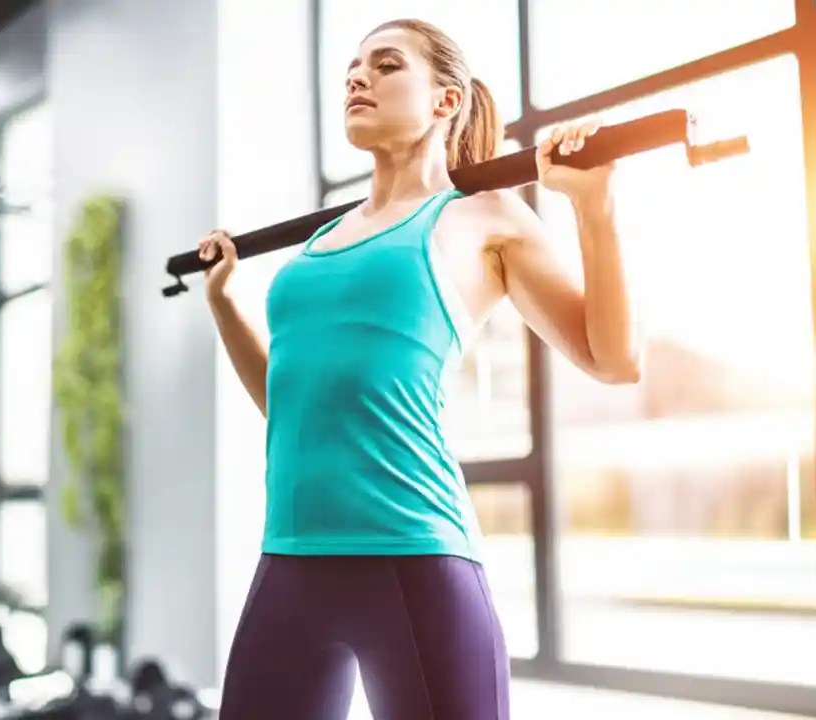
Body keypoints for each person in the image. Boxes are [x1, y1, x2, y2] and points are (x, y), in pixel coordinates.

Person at [202, 18, 641, 720]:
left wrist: (594, 209)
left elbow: (614, 359)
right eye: (351, 67)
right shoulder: (320, 239)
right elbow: (290, 406)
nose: (356, 78)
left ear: (446, 100)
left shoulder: (483, 217)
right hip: (288, 558)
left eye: (384, 65)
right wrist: (224, 302)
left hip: (414, 558)